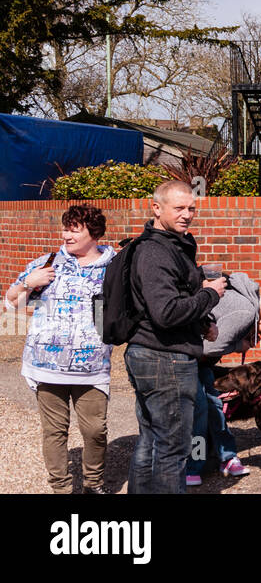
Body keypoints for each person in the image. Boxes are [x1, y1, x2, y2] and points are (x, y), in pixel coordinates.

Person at [4, 204, 115, 494]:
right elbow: (11, 304)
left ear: (94, 233)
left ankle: (93, 484)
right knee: (54, 432)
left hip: (92, 367)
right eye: (65, 228)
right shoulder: (48, 263)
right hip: (45, 365)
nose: (65, 235)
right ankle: (61, 488)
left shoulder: (113, 268)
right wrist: (29, 282)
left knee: (95, 431)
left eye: (73, 229)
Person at [125, 181, 226, 494]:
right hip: (163, 359)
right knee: (172, 449)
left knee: (152, 440)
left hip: (151, 354)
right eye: (178, 208)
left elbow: (172, 299)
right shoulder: (156, 251)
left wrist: (201, 323)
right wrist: (210, 294)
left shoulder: (172, 245)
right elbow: (165, 312)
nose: (187, 215)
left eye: (191, 208)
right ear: (157, 208)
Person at [187, 272, 261, 486]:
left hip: (199, 362)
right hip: (191, 360)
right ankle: (193, 467)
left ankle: (227, 458)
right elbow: (208, 349)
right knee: (200, 414)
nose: (260, 337)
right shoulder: (246, 313)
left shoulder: (248, 299)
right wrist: (239, 346)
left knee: (214, 407)